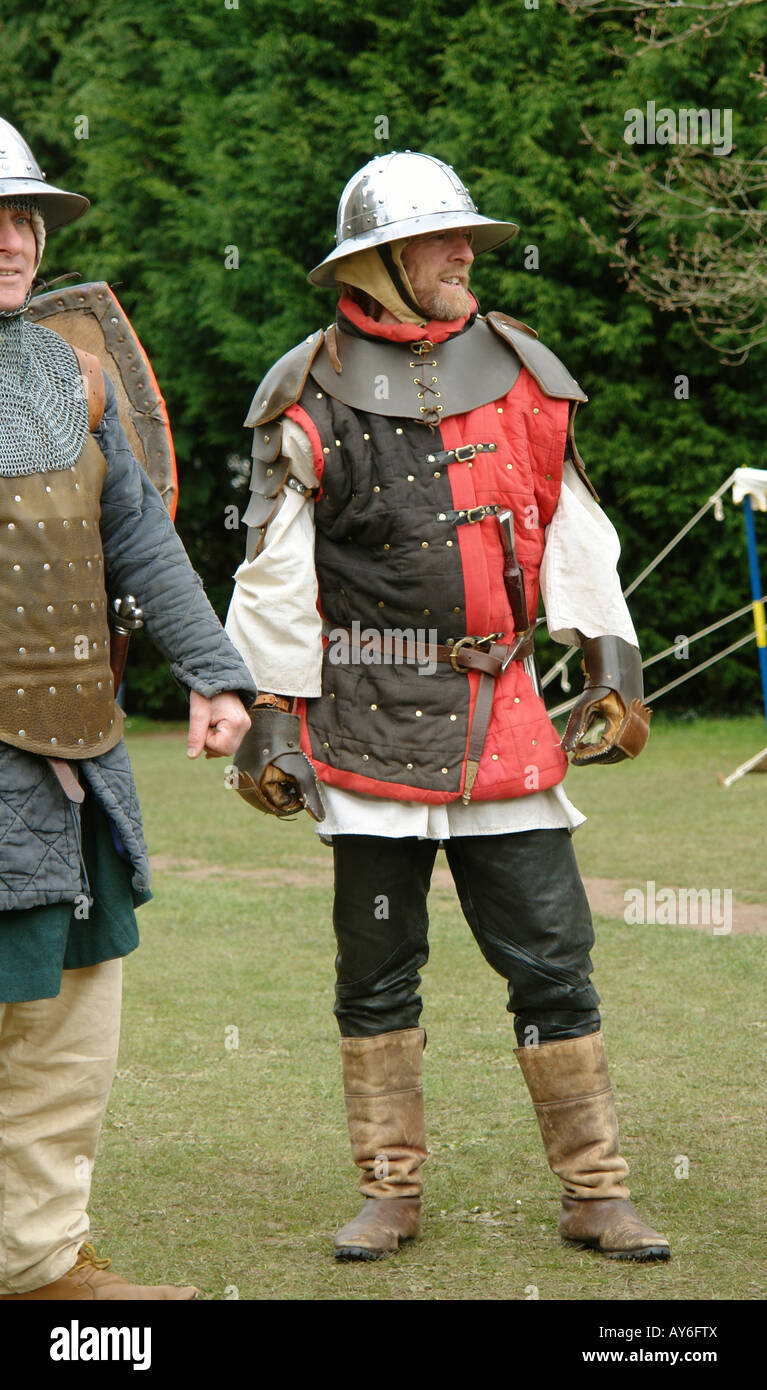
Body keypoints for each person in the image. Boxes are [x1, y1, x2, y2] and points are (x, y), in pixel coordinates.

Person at [226, 151, 670, 1263]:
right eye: (439, 240)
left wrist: (609, 655)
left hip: (502, 713)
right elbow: (274, 568)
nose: (464, 253)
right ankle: (389, 1191)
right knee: (375, 967)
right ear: (376, 263)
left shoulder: (520, 368)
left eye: (465, 237)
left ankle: (596, 1190)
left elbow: (569, 521)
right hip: (367, 714)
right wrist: (275, 716)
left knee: (551, 957)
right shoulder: (307, 386)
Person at [0, 116, 257, 1301]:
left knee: (65, 1030)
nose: (13, 241)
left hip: (72, 755)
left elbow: (140, 543)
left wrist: (211, 670)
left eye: (25, 218)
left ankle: (38, 1261)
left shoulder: (77, 373)